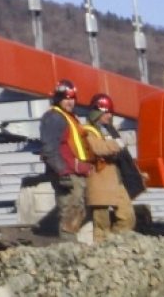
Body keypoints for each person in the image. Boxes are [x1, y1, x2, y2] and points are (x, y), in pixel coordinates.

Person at [38, 79, 91, 236]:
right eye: (66, 98)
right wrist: (62, 172)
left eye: (72, 98)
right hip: (67, 173)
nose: (70, 102)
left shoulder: (68, 117)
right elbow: (49, 148)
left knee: (76, 210)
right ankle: (68, 247)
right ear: (58, 99)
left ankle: (70, 245)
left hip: (74, 172)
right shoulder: (54, 117)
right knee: (69, 210)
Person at [82, 93, 136, 239]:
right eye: (107, 112)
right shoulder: (87, 131)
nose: (110, 116)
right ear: (97, 112)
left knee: (128, 217)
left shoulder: (109, 130)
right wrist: (117, 144)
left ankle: (114, 243)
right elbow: (97, 148)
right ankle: (103, 252)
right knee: (101, 226)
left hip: (116, 181)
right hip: (98, 182)